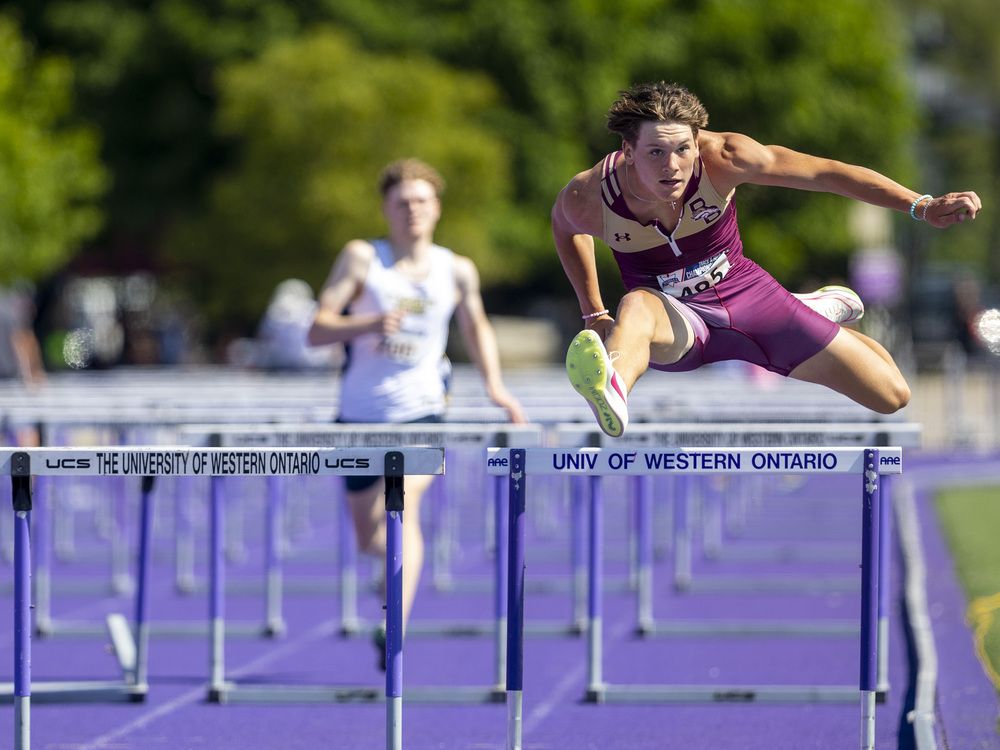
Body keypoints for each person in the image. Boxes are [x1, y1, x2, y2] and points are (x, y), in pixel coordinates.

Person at [554, 81, 981, 437]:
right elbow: (564, 229)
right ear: (628, 150)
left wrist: (920, 205)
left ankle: (808, 309)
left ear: (698, 141)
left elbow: (825, 173)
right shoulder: (591, 195)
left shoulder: (726, 157)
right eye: (655, 153)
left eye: (683, 149)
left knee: (892, 396)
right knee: (637, 305)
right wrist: (594, 314)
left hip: (749, 298)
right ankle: (612, 389)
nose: (673, 167)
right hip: (675, 318)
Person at [307, 158, 526, 667]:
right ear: (385, 209)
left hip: (424, 411)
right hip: (359, 415)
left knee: (402, 511)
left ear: (437, 208)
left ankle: (394, 626)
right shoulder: (363, 259)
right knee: (370, 538)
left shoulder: (457, 269)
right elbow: (316, 329)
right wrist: (366, 324)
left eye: (422, 201)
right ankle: (391, 581)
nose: (413, 211)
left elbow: (477, 329)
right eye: (402, 202)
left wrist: (497, 388)